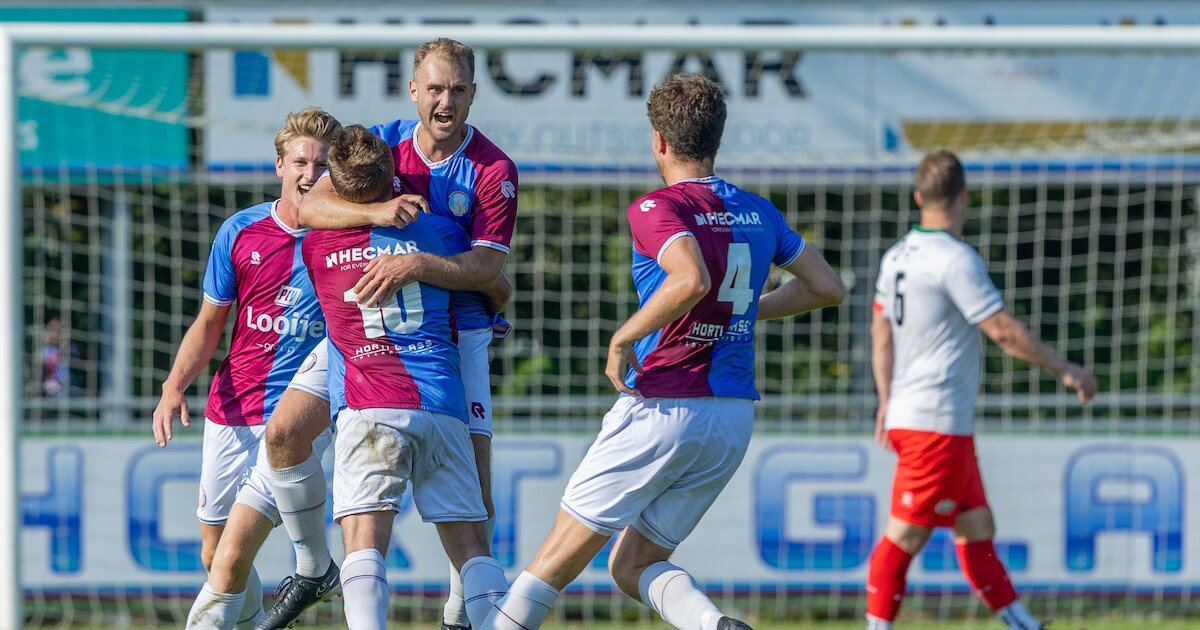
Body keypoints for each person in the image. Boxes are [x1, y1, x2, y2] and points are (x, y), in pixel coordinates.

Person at [472, 73, 845, 630]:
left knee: (553, 559)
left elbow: (689, 278)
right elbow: (827, 287)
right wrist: (740, 312)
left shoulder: (656, 208)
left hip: (664, 405)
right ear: (716, 139)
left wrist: (622, 337)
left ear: (659, 141)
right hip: (732, 418)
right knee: (635, 563)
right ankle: (713, 625)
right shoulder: (759, 212)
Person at [259, 37, 516, 630]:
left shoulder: (494, 169)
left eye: (456, 90)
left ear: (473, 94)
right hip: (384, 340)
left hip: (455, 333)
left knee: (475, 485)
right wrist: (378, 216)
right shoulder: (381, 143)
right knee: (284, 432)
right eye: (434, 89)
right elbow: (313, 205)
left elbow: (488, 272)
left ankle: (458, 612)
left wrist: (414, 262)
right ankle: (309, 564)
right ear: (413, 91)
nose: (444, 102)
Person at [865, 150, 1099, 630]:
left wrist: (886, 399)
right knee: (903, 537)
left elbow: (880, 333)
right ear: (963, 196)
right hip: (935, 421)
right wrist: (1065, 369)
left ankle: (1024, 624)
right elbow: (1005, 332)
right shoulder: (954, 259)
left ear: (918, 197)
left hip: (922, 415)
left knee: (976, 528)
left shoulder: (896, 256)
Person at [151, 107, 341, 630]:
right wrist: (173, 385)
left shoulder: (345, 241)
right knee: (216, 558)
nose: (310, 173)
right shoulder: (240, 231)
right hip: (229, 410)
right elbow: (210, 323)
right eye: (301, 161)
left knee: (233, 558)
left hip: (295, 421)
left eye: (322, 164)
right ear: (279, 164)